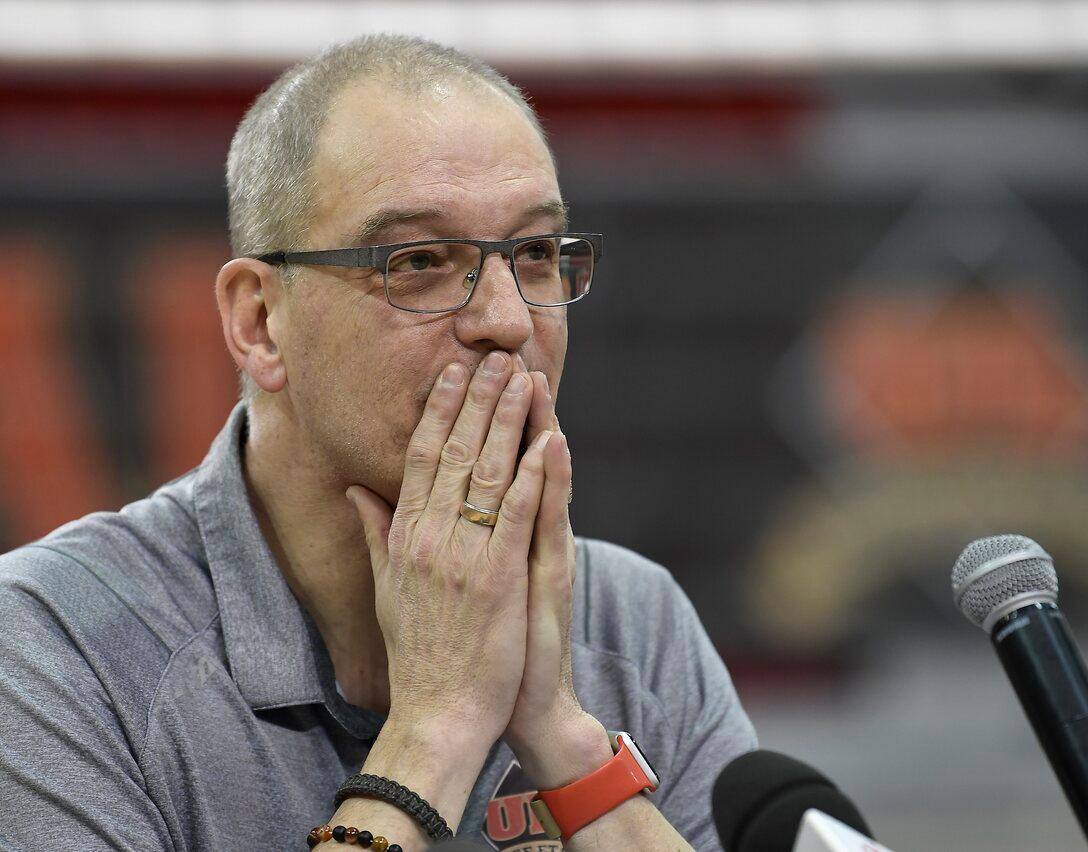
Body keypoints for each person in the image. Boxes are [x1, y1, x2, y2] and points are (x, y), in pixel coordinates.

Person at [0, 34, 756, 851]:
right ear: (259, 323)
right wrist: (437, 724)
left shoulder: (633, 621)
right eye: (420, 260)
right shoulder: (51, 647)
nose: (506, 320)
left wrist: (568, 745)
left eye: (535, 254)